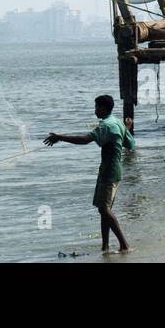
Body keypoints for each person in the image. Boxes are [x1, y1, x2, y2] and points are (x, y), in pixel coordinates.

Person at [44, 94, 135, 252]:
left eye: (96, 107)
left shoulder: (106, 125)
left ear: (104, 108)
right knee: (103, 209)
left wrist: (60, 137)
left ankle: (124, 245)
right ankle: (105, 246)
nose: (95, 110)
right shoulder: (117, 123)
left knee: (104, 210)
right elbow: (130, 144)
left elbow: (85, 140)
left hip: (109, 173)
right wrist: (126, 128)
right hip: (111, 172)